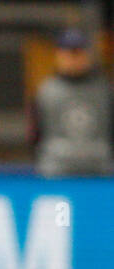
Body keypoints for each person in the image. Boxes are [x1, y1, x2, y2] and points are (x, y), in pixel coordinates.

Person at [32, 28, 114, 177]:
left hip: (100, 172)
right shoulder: (46, 92)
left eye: (78, 52)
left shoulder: (105, 91)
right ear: (58, 55)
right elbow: (35, 133)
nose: (73, 59)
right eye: (68, 53)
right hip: (57, 171)